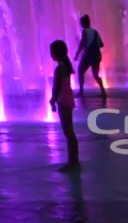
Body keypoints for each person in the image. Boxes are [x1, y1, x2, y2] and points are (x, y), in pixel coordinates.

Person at [49, 40, 80, 172]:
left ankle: (72, 161)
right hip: (68, 99)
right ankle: (73, 160)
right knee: (70, 132)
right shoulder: (65, 66)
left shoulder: (59, 69)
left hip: (63, 101)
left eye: (51, 52)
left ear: (55, 54)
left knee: (69, 132)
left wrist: (52, 100)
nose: (50, 54)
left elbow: (56, 87)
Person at [73, 15, 106, 98]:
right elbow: (102, 44)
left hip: (88, 55)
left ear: (83, 23)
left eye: (81, 23)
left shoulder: (85, 31)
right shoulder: (95, 32)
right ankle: (103, 91)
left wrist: (77, 54)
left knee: (80, 71)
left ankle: (81, 91)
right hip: (96, 55)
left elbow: (82, 44)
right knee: (95, 74)